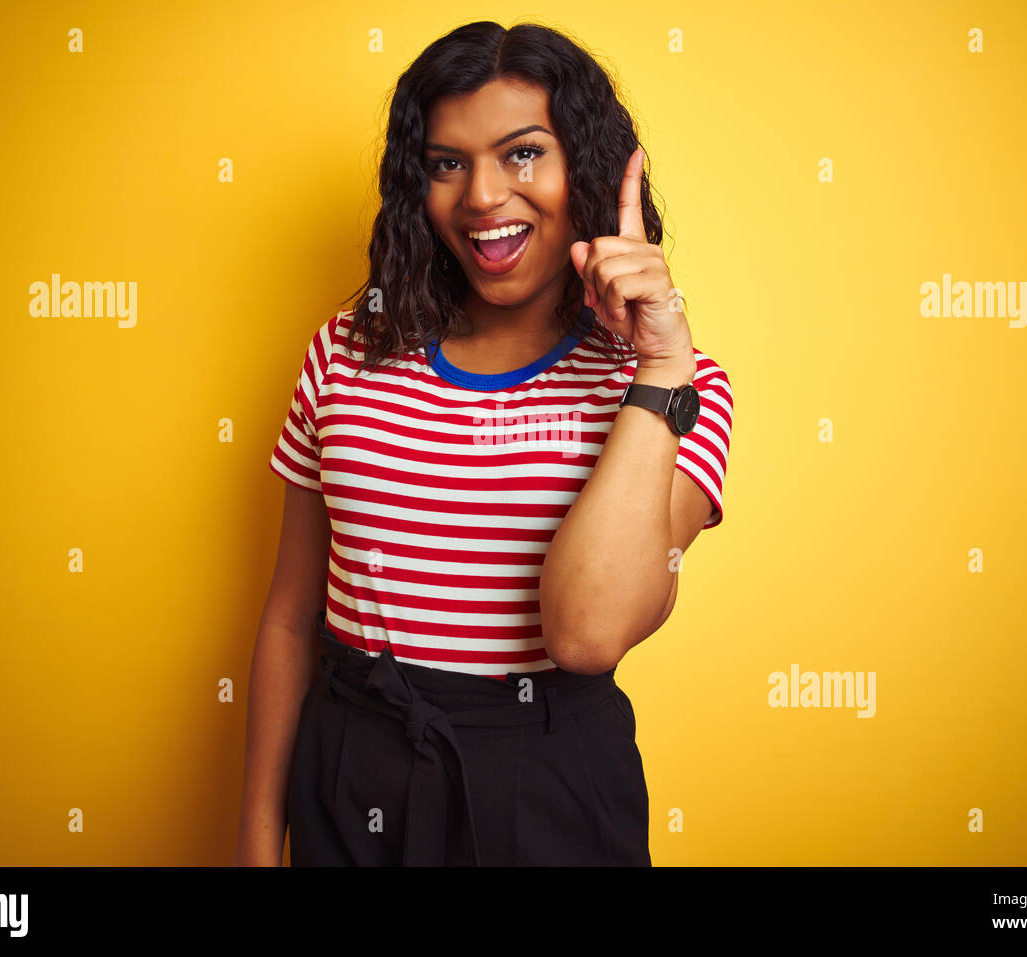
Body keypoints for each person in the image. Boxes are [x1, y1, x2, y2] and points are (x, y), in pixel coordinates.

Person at [235, 20, 733, 867]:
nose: (482, 197)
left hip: (550, 790)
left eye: (524, 153)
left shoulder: (677, 390)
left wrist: (659, 362)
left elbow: (586, 634)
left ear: (587, 162)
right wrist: (253, 843)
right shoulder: (344, 353)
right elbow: (290, 617)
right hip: (350, 774)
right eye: (447, 162)